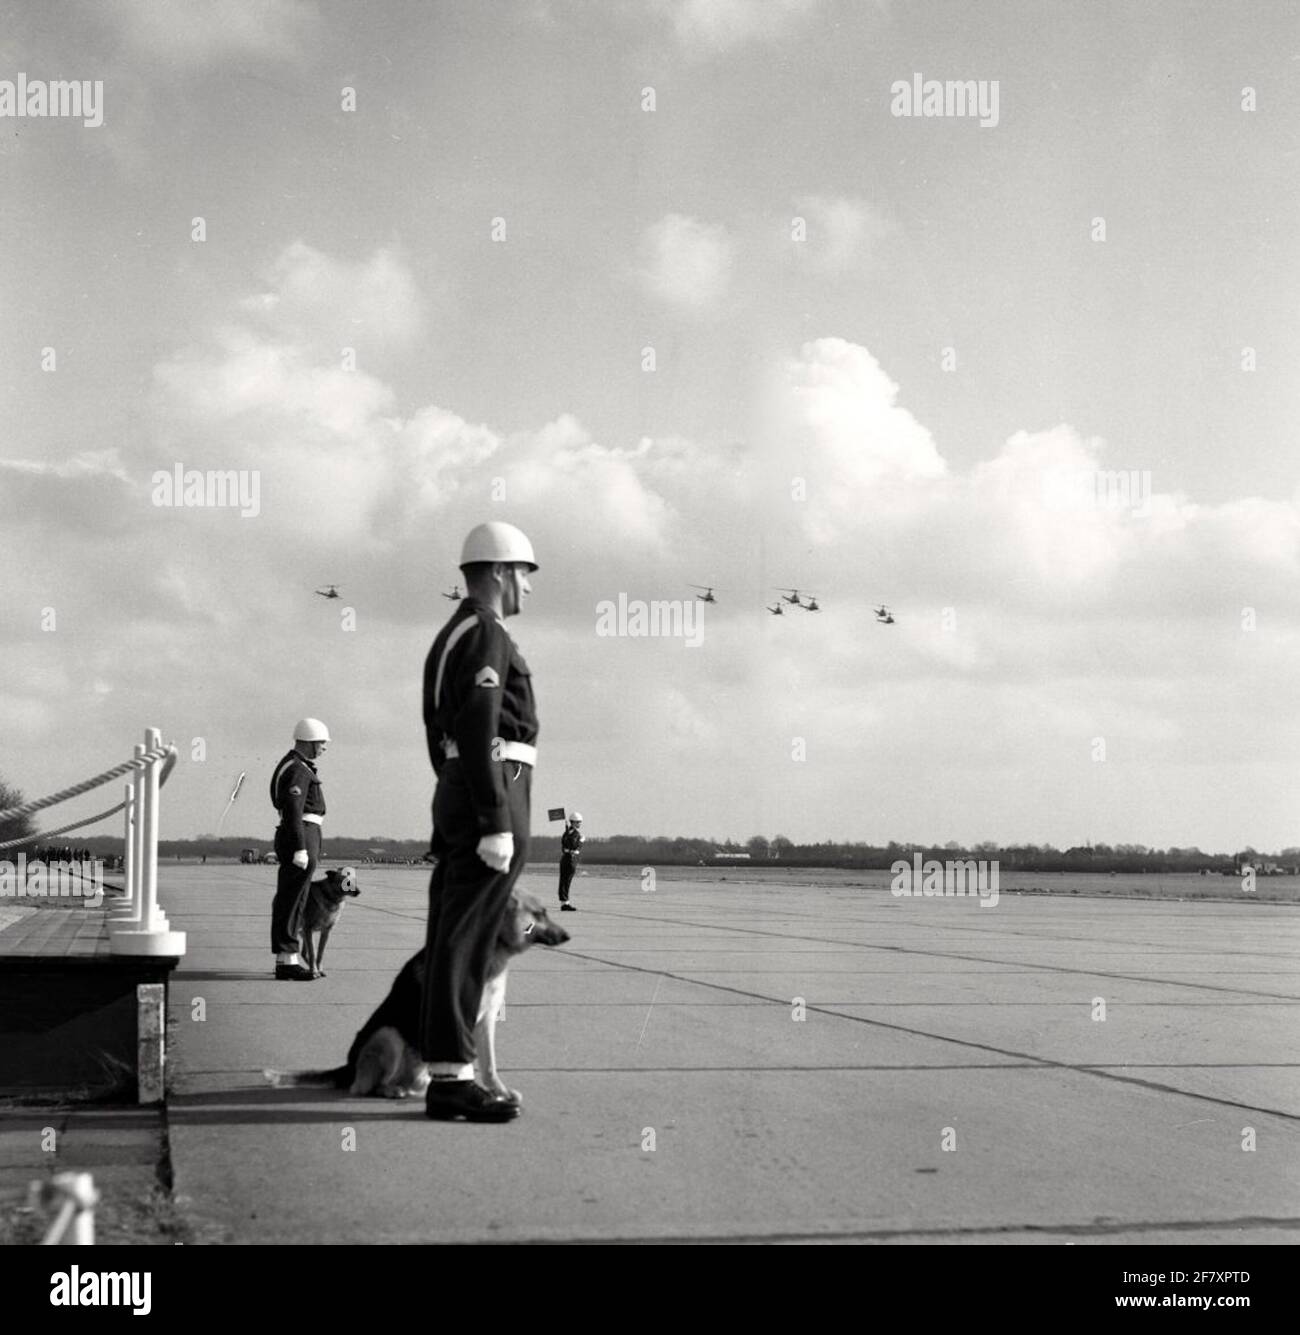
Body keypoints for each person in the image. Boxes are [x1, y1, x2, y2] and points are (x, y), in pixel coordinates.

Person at [419, 521, 539, 1122]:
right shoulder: (486, 632)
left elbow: (438, 735)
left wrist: (457, 794)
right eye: (523, 573)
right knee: (466, 943)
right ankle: (453, 1079)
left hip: (464, 791)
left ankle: (451, 1070)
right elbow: (478, 724)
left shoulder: (454, 634)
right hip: (491, 796)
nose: (527, 587)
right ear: (497, 572)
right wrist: (495, 818)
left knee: (452, 939)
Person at [269, 718, 330, 981]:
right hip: (301, 833)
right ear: (309, 741)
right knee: (292, 899)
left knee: (296, 898)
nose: (323, 749)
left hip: (306, 832)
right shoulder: (297, 770)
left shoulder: (298, 767)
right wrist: (300, 847)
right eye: (321, 744)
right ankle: (287, 961)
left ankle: (288, 958)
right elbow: (294, 810)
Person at [558, 812, 583, 910]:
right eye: (578, 822)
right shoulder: (576, 833)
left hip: (564, 858)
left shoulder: (566, 833)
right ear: (573, 822)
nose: (580, 824)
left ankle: (564, 902)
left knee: (563, 881)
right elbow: (574, 846)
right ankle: (565, 903)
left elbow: (563, 846)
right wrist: (581, 841)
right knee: (566, 881)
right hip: (570, 859)